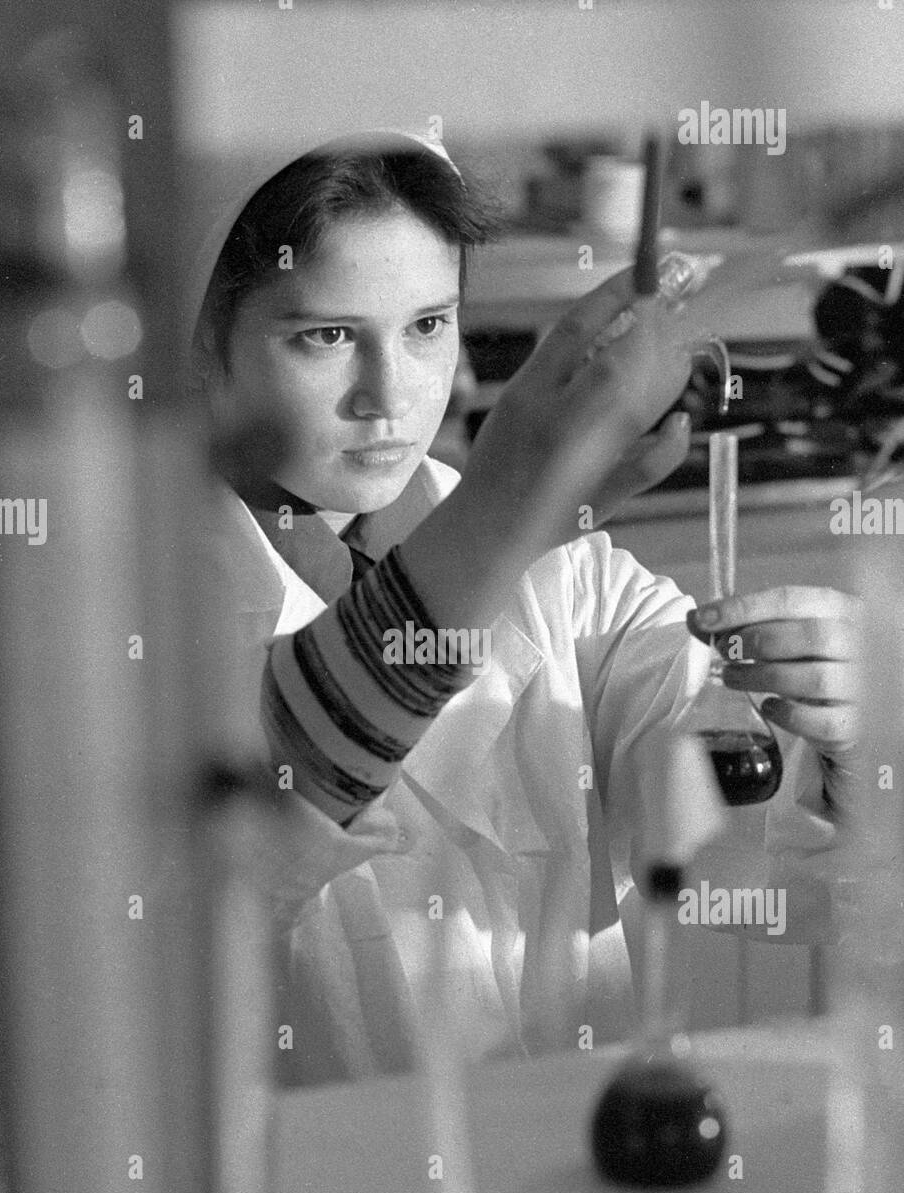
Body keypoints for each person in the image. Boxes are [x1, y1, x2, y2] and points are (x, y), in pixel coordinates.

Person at [189, 130, 859, 1085]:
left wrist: (846, 727)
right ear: (206, 342)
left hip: (565, 1190)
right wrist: (513, 497)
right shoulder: (143, 622)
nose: (389, 396)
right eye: (326, 336)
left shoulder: (571, 583)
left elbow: (768, 877)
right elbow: (220, 879)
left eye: (427, 326)